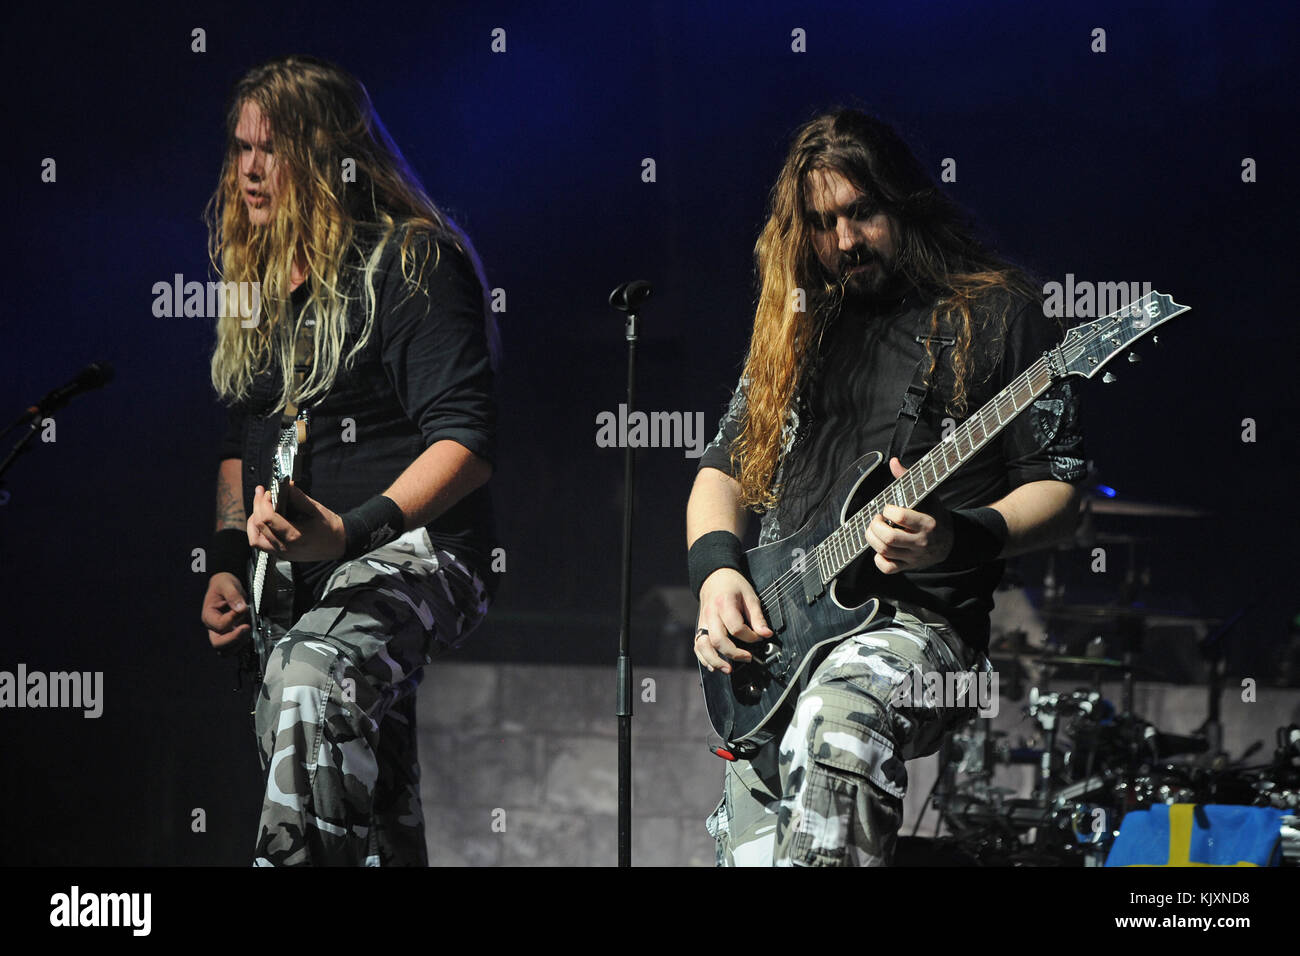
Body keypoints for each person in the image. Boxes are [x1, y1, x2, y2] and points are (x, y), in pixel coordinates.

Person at [687, 109, 1087, 866]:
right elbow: (723, 472)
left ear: (902, 200)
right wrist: (715, 574)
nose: (842, 241)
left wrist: (956, 536)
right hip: (783, 638)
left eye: (861, 212)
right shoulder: (798, 326)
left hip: (921, 630)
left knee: (837, 716)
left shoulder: (998, 314)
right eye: (820, 222)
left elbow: (1061, 491)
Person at [197, 55, 500, 866]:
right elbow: (239, 443)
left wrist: (348, 531)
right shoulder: (251, 280)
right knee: (367, 801)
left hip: (416, 554)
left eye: (273, 149)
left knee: (310, 677)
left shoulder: (410, 262)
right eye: (239, 149)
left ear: (332, 159)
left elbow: (466, 443)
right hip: (293, 577)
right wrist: (229, 562)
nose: (250, 171)